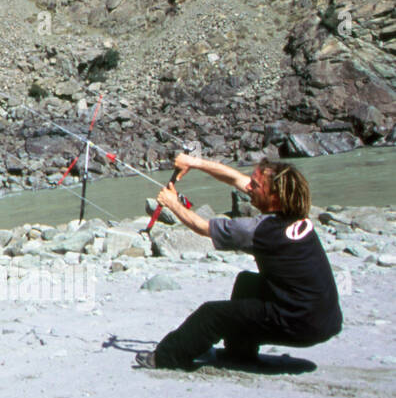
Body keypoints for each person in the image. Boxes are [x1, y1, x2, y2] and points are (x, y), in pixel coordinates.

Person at [134, 152, 343, 369]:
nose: (248, 188)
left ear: (274, 197)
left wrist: (173, 204)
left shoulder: (257, 230)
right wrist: (194, 163)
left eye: (255, 186)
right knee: (247, 283)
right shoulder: (296, 212)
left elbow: (204, 227)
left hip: (301, 323)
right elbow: (235, 179)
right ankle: (240, 352)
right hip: (325, 318)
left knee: (212, 314)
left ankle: (166, 357)